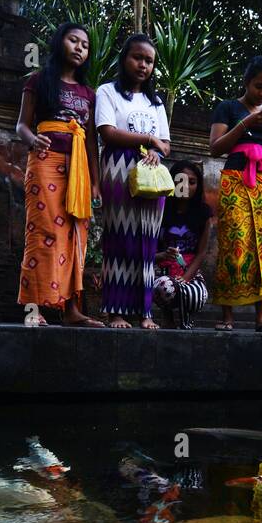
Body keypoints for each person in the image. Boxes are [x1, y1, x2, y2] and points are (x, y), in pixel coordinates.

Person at [16, 21, 102, 327]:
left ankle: (71, 311)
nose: (79, 47)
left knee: (76, 235)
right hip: (45, 161)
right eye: (73, 40)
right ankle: (33, 310)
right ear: (59, 42)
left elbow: (92, 140)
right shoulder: (38, 80)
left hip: (78, 166)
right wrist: (32, 139)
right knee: (43, 232)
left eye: (85, 44)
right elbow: (21, 125)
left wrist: (95, 181)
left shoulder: (89, 94)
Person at [95, 34, 171, 330]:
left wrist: (154, 148)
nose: (143, 65)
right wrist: (147, 139)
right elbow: (107, 132)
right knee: (119, 236)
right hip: (118, 167)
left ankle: (145, 312)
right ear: (124, 58)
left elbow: (165, 143)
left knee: (148, 242)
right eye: (137, 58)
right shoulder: (107, 92)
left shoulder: (155, 102)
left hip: (151, 172)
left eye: (149, 61)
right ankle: (115, 311)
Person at [209, 56, 262, 331]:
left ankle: (261, 317)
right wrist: (247, 123)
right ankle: (227, 316)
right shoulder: (227, 108)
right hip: (235, 178)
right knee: (233, 244)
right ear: (246, 82)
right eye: (259, 86)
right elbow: (215, 148)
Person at [153, 160, 212, 328]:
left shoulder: (203, 213)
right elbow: (148, 251)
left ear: (198, 186)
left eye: (192, 182)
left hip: (189, 271)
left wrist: (186, 278)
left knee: (194, 295)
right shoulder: (160, 209)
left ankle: (186, 319)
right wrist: (162, 255)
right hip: (162, 270)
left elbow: (201, 252)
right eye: (180, 181)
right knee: (165, 287)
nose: (186, 186)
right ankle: (167, 317)